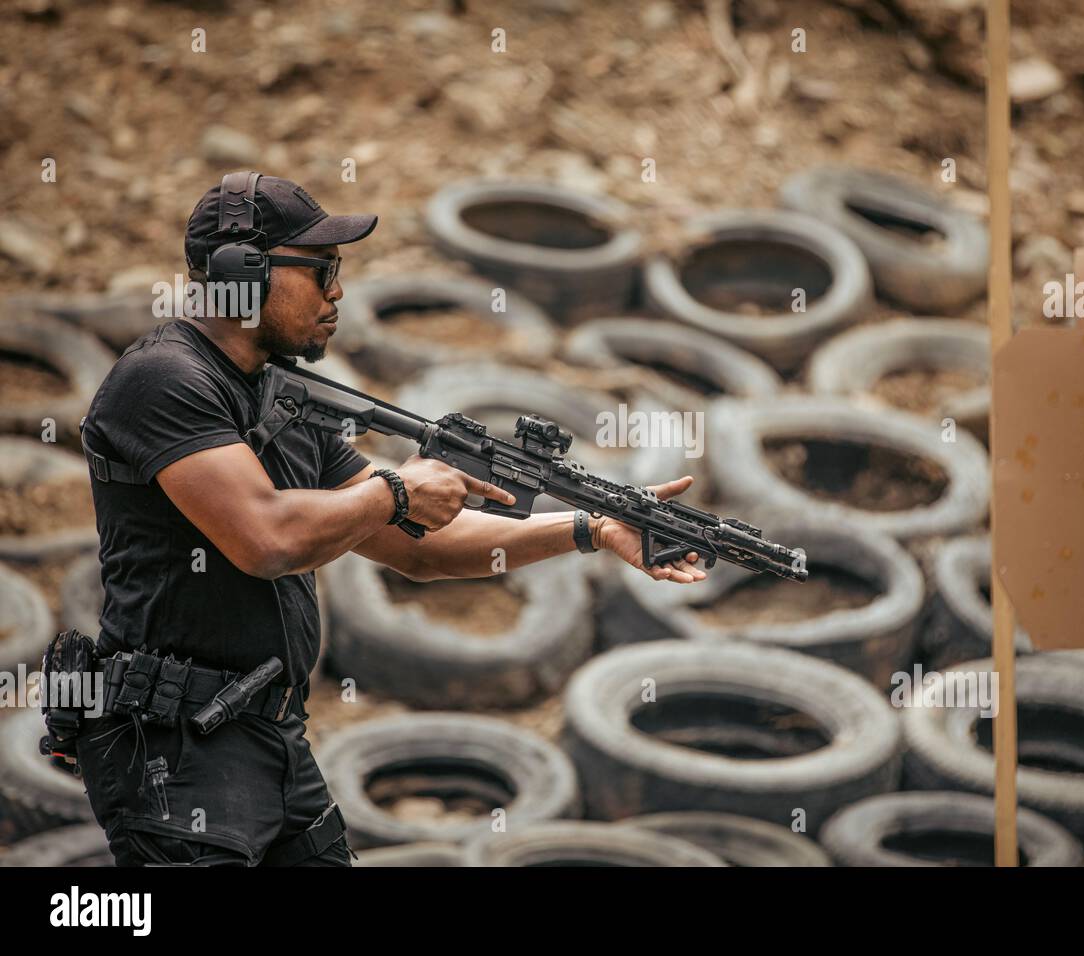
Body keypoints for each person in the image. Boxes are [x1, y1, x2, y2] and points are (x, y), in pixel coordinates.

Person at [73, 172, 706, 866]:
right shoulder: (163, 380)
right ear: (241, 274)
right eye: (319, 271)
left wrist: (589, 529)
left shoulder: (281, 398)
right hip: (175, 749)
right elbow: (267, 539)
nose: (337, 291)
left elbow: (422, 551)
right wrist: (397, 491)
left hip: (268, 738)